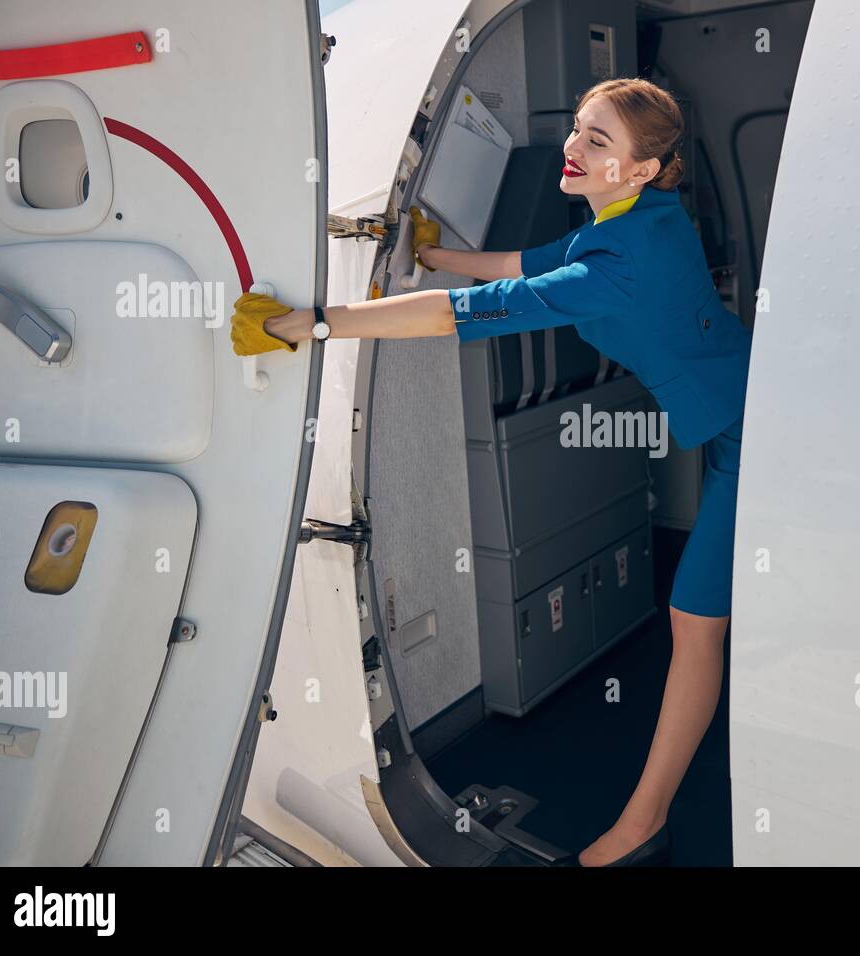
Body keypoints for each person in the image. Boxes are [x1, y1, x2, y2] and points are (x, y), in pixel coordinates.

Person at [231, 77, 752, 866]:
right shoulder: (637, 215)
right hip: (738, 405)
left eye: (597, 141)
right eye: (578, 129)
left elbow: (462, 313)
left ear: (641, 168)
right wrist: (435, 251)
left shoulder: (619, 262)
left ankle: (644, 825)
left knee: (694, 626)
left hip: (750, 438)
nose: (573, 149)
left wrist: (316, 324)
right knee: (701, 620)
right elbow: (530, 260)